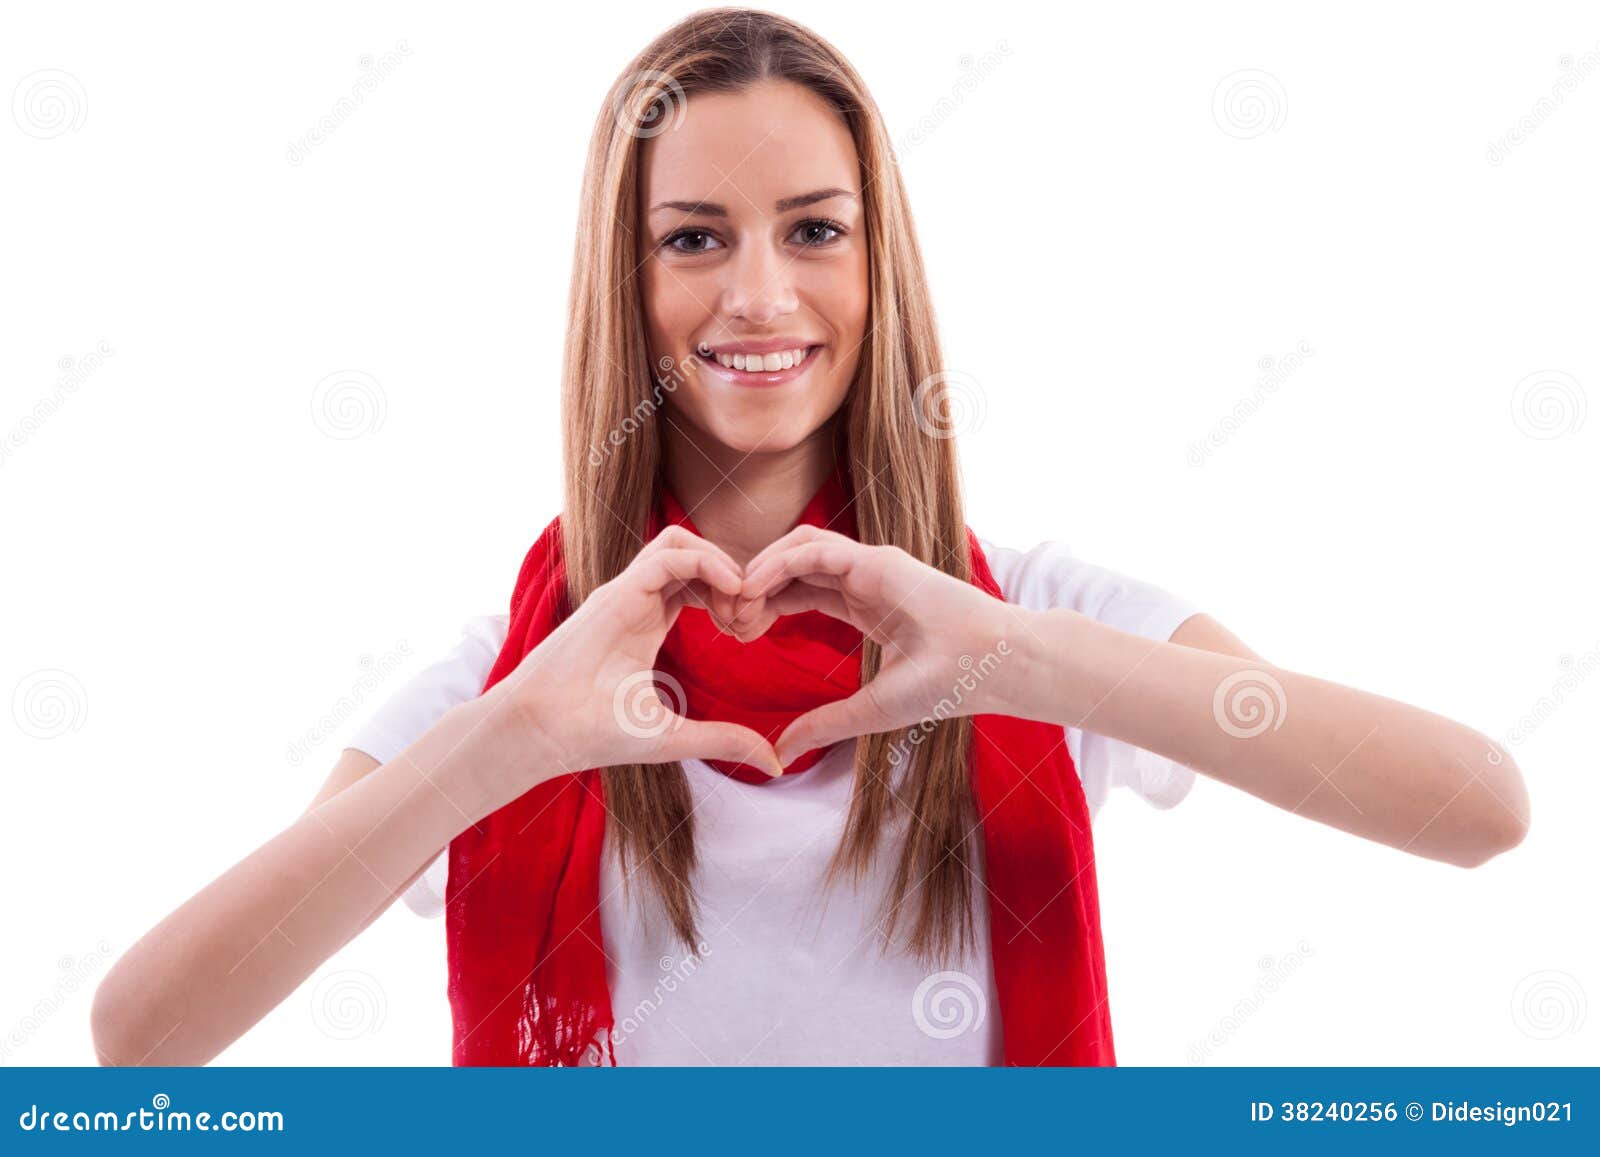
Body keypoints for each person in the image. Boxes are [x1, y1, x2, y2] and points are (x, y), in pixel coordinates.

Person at [90, 7, 1530, 1069]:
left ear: (876, 262)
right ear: (628, 277)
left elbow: (1478, 805)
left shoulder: (1036, 614)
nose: (763, 295)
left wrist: (1020, 659)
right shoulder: (520, 676)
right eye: (696, 237)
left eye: (816, 231)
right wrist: (516, 736)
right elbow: (142, 1036)